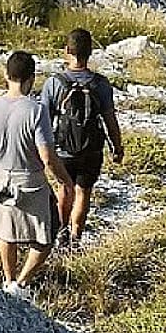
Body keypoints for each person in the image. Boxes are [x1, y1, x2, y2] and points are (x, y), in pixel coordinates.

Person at [0, 50, 73, 302]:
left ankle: (9, 280)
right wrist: (64, 181)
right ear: (31, 79)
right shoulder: (36, 110)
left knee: (6, 233)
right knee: (45, 237)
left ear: (5, 75)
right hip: (30, 182)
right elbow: (46, 155)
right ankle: (21, 283)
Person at [40, 28, 124, 247]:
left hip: (63, 147)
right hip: (91, 148)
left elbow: (45, 119)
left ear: (67, 51)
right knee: (83, 192)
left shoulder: (54, 83)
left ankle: (60, 231)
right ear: (91, 52)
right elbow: (109, 119)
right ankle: (76, 237)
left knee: (64, 188)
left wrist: (40, 150)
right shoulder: (101, 84)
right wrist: (117, 146)